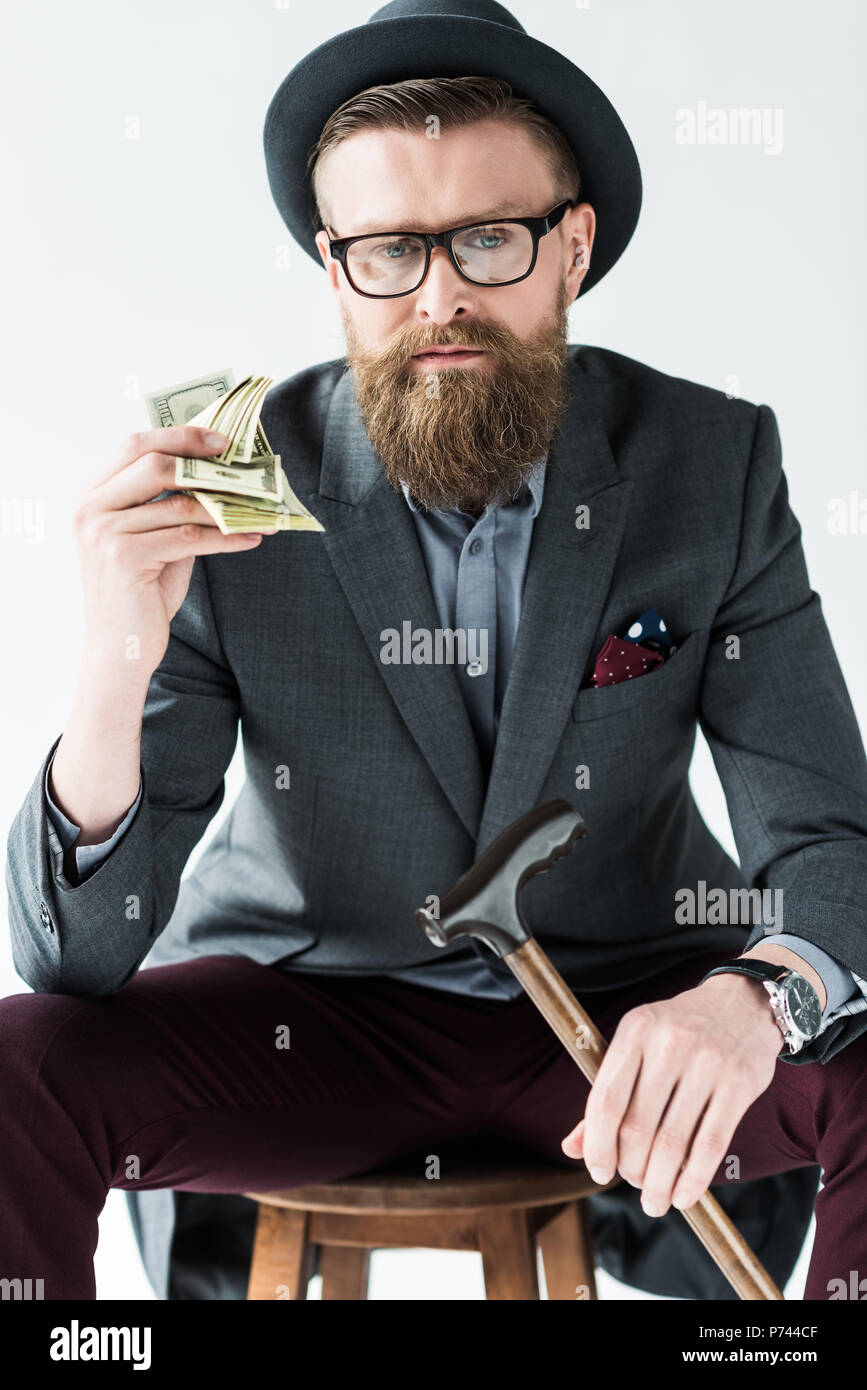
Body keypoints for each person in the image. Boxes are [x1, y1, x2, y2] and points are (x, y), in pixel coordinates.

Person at [4, 0, 866, 1302]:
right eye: (389, 251)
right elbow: (72, 959)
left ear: (572, 249)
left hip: (622, 1014)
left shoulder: (711, 463)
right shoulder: (236, 486)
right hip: (311, 1016)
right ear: (332, 267)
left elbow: (830, 837)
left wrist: (759, 995)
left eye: (487, 238)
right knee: (21, 1064)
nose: (441, 295)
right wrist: (111, 667)